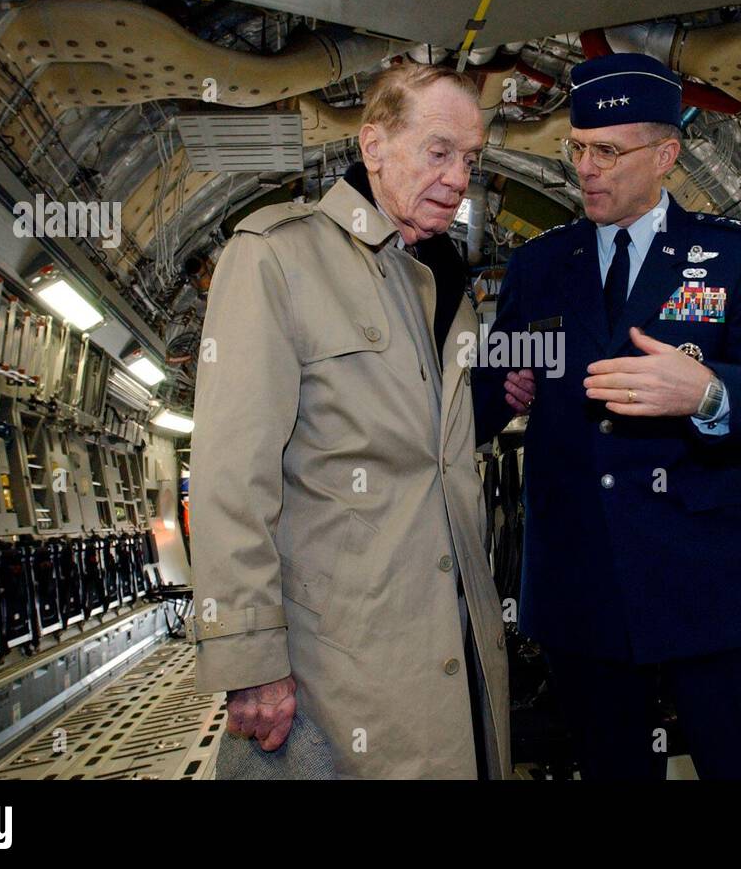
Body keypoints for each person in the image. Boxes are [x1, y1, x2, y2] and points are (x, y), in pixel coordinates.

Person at [474, 52, 741, 779]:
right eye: (576, 149)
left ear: (666, 154)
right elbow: (482, 398)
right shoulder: (540, 267)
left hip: (708, 581)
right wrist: (499, 388)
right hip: (580, 583)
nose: (586, 169)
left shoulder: (729, 259)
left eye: (608, 151)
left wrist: (706, 394)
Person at [191, 61, 509, 779]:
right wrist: (249, 657)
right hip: (335, 669)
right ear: (373, 145)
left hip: (456, 651)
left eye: (471, 159)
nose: (460, 178)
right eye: (439, 152)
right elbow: (229, 476)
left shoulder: (447, 286)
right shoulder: (278, 256)